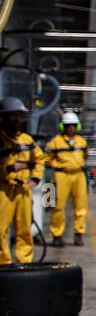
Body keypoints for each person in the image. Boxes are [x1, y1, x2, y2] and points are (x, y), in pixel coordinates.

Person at [0, 96, 46, 264]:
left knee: (24, 229)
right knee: (0, 230)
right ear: (3, 117)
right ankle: (3, 264)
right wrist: (7, 168)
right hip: (3, 189)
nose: (17, 119)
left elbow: (40, 159)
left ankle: (24, 262)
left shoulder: (26, 140)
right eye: (13, 115)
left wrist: (35, 177)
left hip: (23, 190)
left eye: (19, 115)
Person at [45, 110, 88, 247]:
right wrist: (58, 165)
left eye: (74, 125)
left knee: (81, 206)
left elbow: (85, 156)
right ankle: (57, 235)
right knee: (57, 206)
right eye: (68, 125)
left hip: (79, 175)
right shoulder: (54, 143)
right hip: (60, 175)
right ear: (63, 126)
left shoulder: (82, 142)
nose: (71, 128)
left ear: (77, 127)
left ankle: (79, 235)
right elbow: (46, 159)